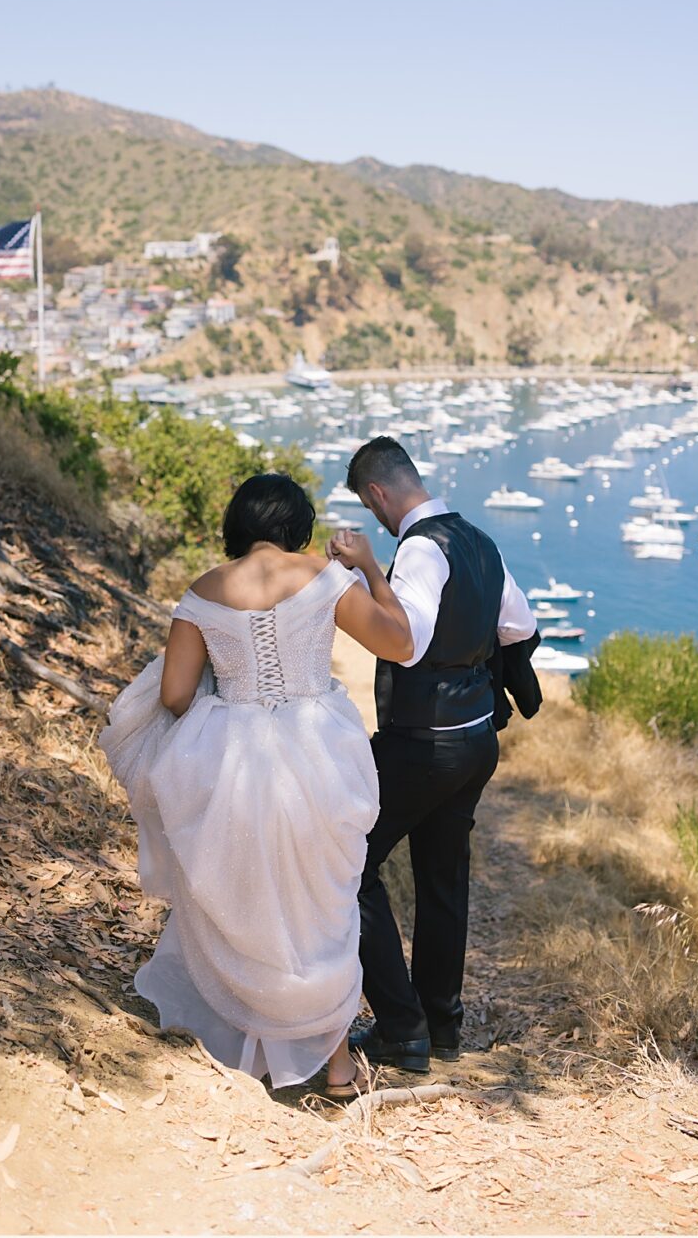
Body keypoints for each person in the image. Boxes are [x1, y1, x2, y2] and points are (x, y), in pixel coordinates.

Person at [102, 472, 416, 1099]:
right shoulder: (324, 578)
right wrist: (372, 570)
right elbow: (401, 643)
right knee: (322, 907)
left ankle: (256, 1054)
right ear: (295, 526)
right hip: (318, 755)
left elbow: (174, 695)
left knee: (252, 901)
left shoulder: (203, 591)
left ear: (238, 526)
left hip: (233, 760)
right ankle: (335, 1068)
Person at [341, 436, 538, 1072]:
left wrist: (372, 570)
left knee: (346, 862)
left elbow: (405, 644)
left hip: (424, 743)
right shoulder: (480, 539)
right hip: (477, 738)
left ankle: (401, 1026)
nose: (376, 521)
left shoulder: (420, 550)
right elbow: (520, 627)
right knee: (443, 877)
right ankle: (442, 1026)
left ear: (377, 494)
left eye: (372, 511)